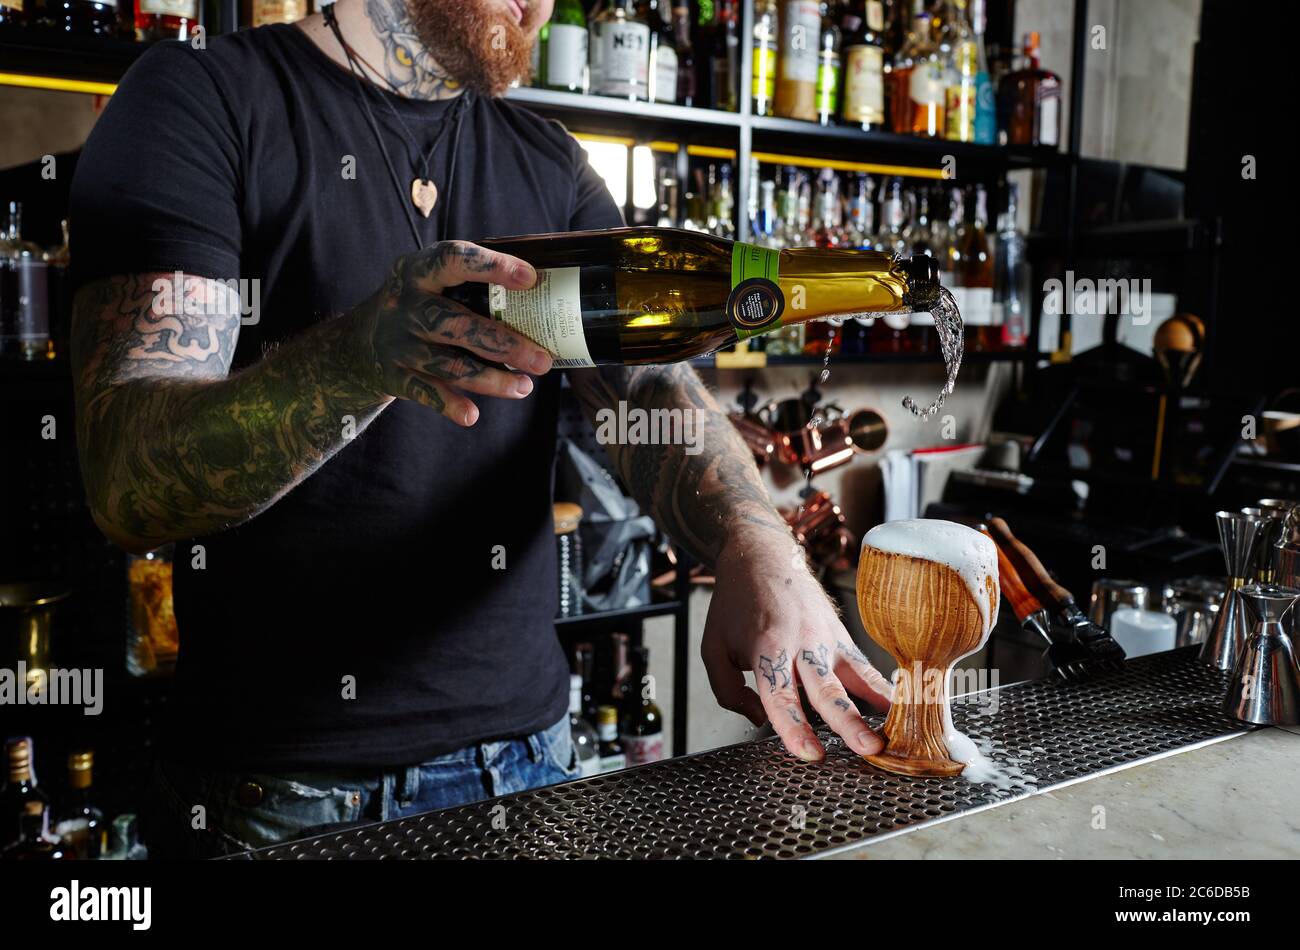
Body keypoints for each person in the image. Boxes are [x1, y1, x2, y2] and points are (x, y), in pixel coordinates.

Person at [68, 0, 892, 858]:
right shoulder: (201, 98)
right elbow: (127, 478)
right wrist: (355, 359)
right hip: (275, 795)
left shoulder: (548, 161)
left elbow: (645, 390)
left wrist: (755, 547)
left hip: (528, 767)